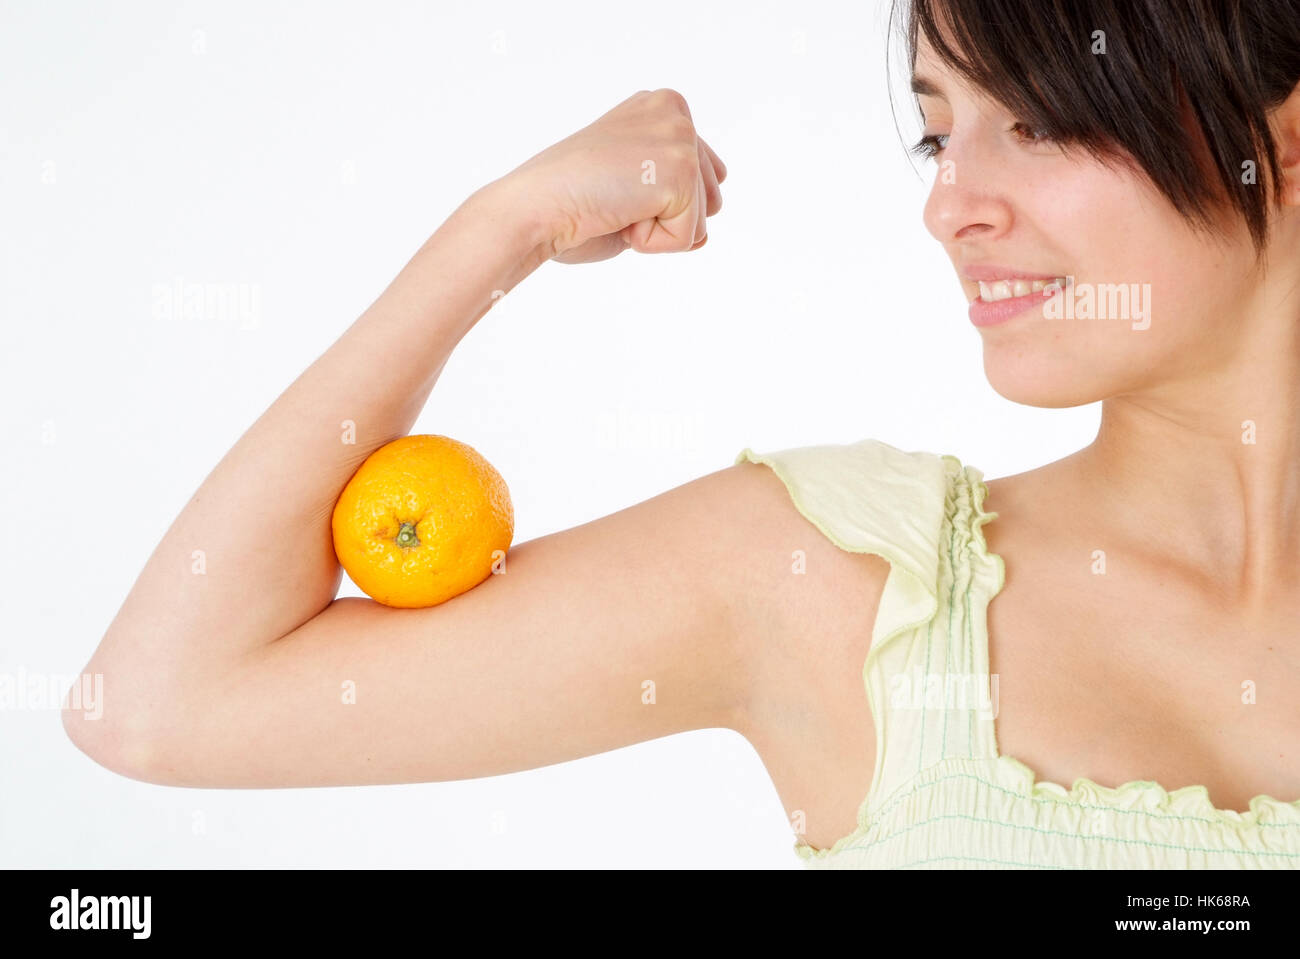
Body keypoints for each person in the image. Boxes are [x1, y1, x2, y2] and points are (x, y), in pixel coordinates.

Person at [65, 0, 1300, 868]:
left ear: (1281, 145)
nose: (949, 207)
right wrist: (501, 229)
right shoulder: (840, 578)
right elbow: (161, 702)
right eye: (938, 132)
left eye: (1036, 121)